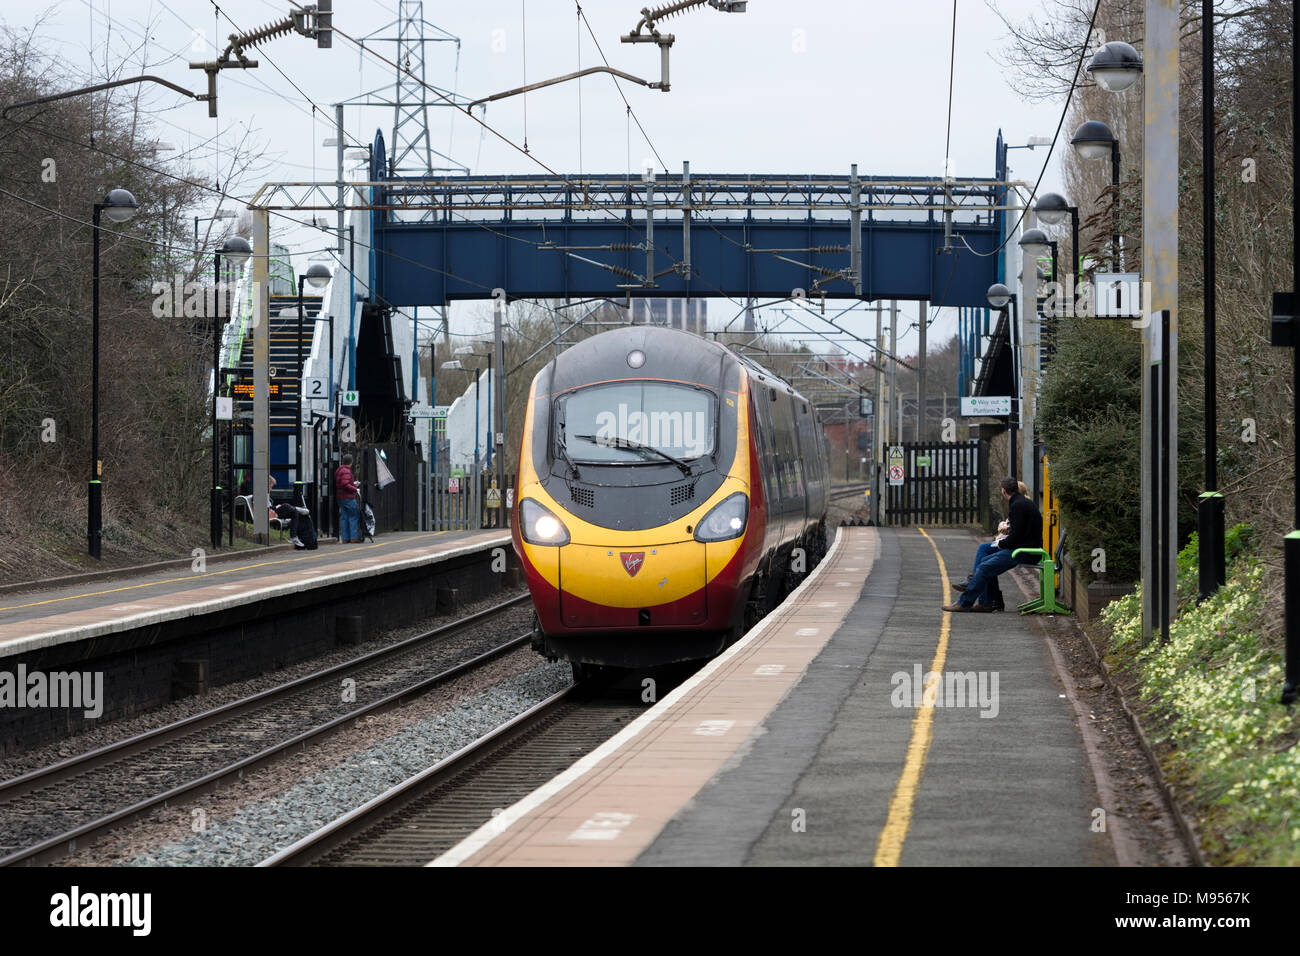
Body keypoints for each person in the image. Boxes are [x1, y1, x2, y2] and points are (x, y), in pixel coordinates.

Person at [943, 476, 1042, 613]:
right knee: (984, 559)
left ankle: (965, 602)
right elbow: (1020, 531)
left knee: (984, 567)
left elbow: (1016, 536)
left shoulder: (1017, 505)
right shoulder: (1021, 502)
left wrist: (1001, 544)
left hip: (1025, 552)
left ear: (1003, 491)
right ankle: (987, 601)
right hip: (1024, 548)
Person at [336, 453, 361, 543]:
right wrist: (355, 489)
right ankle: (353, 537)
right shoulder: (346, 471)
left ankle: (345, 538)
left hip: (340, 497)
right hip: (348, 497)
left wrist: (352, 484)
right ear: (350, 462)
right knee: (354, 516)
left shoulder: (339, 470)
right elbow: (345, 484)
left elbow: (342, 483)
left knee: (344, 517)